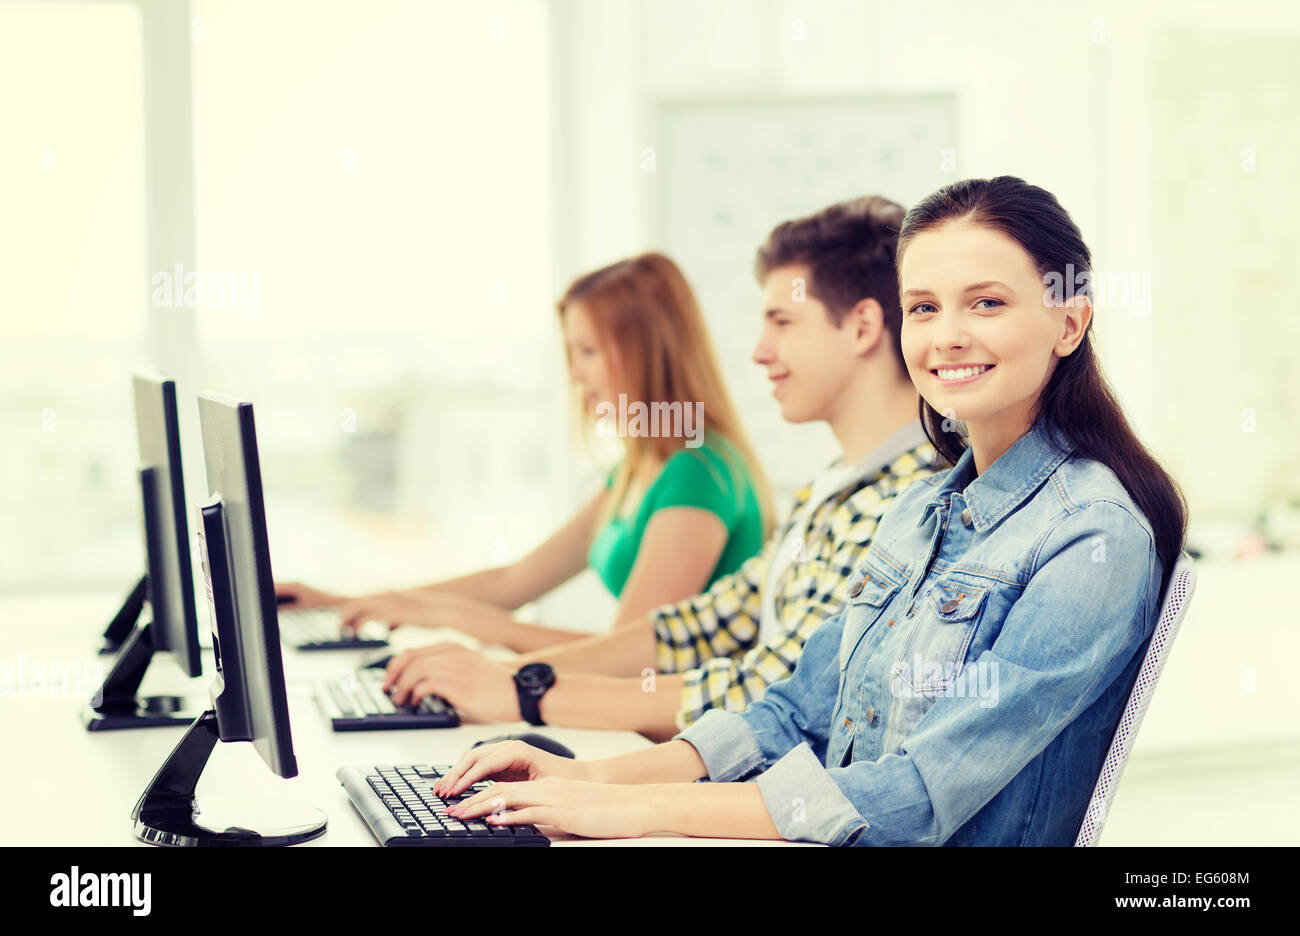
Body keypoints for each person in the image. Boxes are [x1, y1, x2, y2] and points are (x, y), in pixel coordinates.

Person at [427, 176, 1189, 846]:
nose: (947, 335)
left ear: (1069, 322)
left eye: (986, 303)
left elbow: (916, 795)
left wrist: (639, 808)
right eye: (923, 307)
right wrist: (595, 779)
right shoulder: (924, 509)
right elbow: (791, 709)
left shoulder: (1093, 535)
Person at [379, 196, 940, 740]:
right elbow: (694, 627)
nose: (759, 351)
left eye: (782, 321)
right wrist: (507, 678)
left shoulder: (908, 504)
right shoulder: (833, 489)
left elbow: (779, 691)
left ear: (863, 328)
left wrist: (526, 691)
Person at [276, 252, 772, 653]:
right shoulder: (641, 467)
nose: (575, 374)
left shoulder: (699, 470)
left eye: (588, 352)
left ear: (645, 350)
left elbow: (627, 657)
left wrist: (458, 622)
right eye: (571, 353)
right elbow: (513, 582)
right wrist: (348, 602)